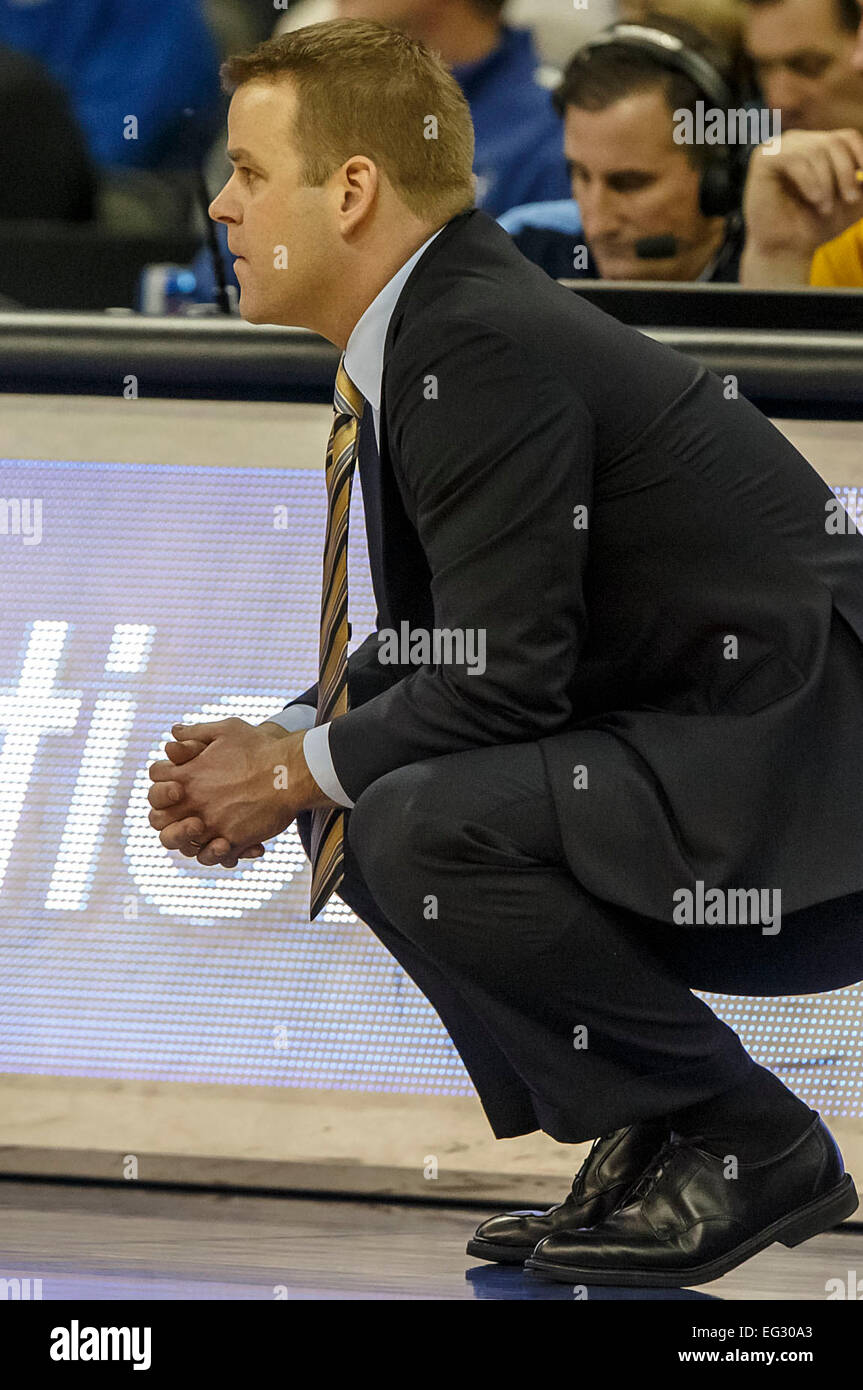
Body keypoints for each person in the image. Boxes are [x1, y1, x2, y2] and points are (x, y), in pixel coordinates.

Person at [147, 19, 863, 1288]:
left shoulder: (471, 339)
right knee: (363, 794)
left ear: (351, 188)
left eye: (250, 172)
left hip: (806, 780)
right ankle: (658, 1128)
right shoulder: (440, 325)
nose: (218, 202)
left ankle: (744, 1137)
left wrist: (294, 767)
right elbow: (459, 645)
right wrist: (275, 740)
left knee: (409, 814)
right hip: (732, 753)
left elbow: (501, 677)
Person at [505, 16, 748, 282]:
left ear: (719, 181)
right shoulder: (521, 251)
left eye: (630, 183)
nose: (599, 227)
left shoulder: (780, 263)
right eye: (580, 175)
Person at [740, 0, 863, 285]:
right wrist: (777, 257)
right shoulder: (799, 207)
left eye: (810, 67)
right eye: (763, 68)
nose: (780, 101)